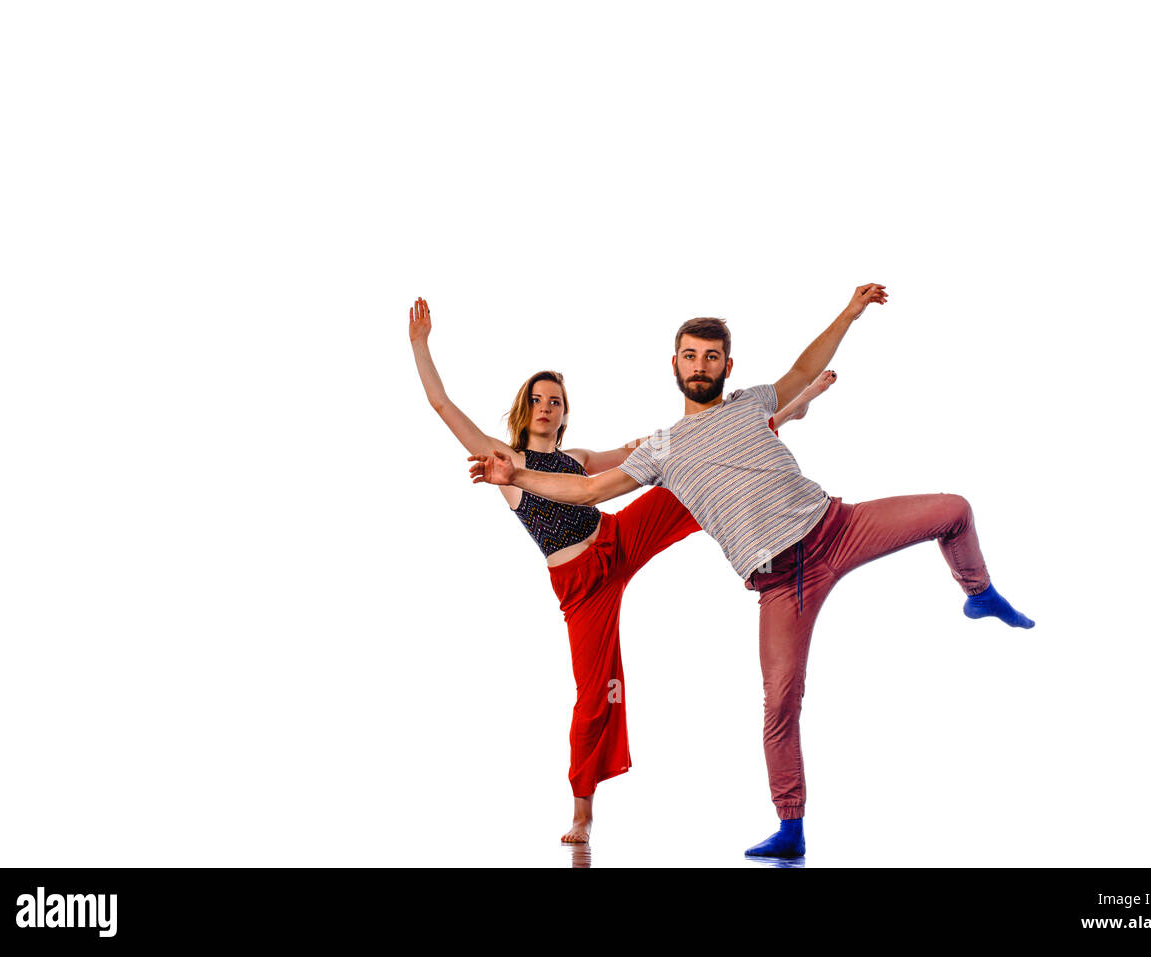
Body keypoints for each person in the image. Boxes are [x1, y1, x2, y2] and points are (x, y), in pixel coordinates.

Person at [468, 282, 1034, 859]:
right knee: (780, 703)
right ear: (674, 365)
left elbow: (800, 369)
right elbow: (586, 487)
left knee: (954, 510)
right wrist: (517, 477)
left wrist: (849, 313)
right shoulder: (662, 449)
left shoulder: (750, 403)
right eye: (690, 355)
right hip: (780, 582)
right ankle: (791, 830)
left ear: (727, 365)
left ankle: (979, 592)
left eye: (711, 356)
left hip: (837, 528)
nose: (700, 365)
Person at [409, 296, 833, 844]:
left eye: (555, 400)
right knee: (596, 694)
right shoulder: (504, 460)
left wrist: (772, 405)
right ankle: (582, 812)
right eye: (537, 399)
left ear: (565, 412)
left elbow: (642, 449)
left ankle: (781, 416)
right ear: (524, 409)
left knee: (694, 468)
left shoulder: (579, 459)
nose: (545, 407)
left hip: (617, 539)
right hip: (583, 587)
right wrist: (421, 344)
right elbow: (443, 406)